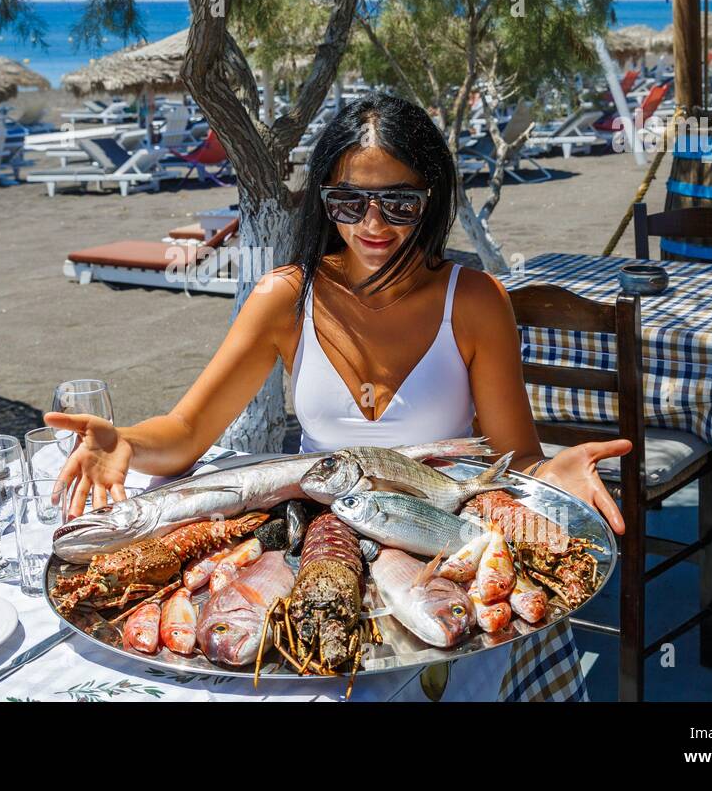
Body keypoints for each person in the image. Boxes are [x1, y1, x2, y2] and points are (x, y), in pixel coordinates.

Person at [47, 91, 628, 701]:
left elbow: (515, 462)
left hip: (441, 544)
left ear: (431, 200)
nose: (372, 226)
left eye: (399, 203)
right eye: (349, 202)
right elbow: (189, 432)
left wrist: (553, 470)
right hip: (311, 546)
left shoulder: (476, 300)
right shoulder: (284, 298)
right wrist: (128, 443)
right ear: (324, 199)